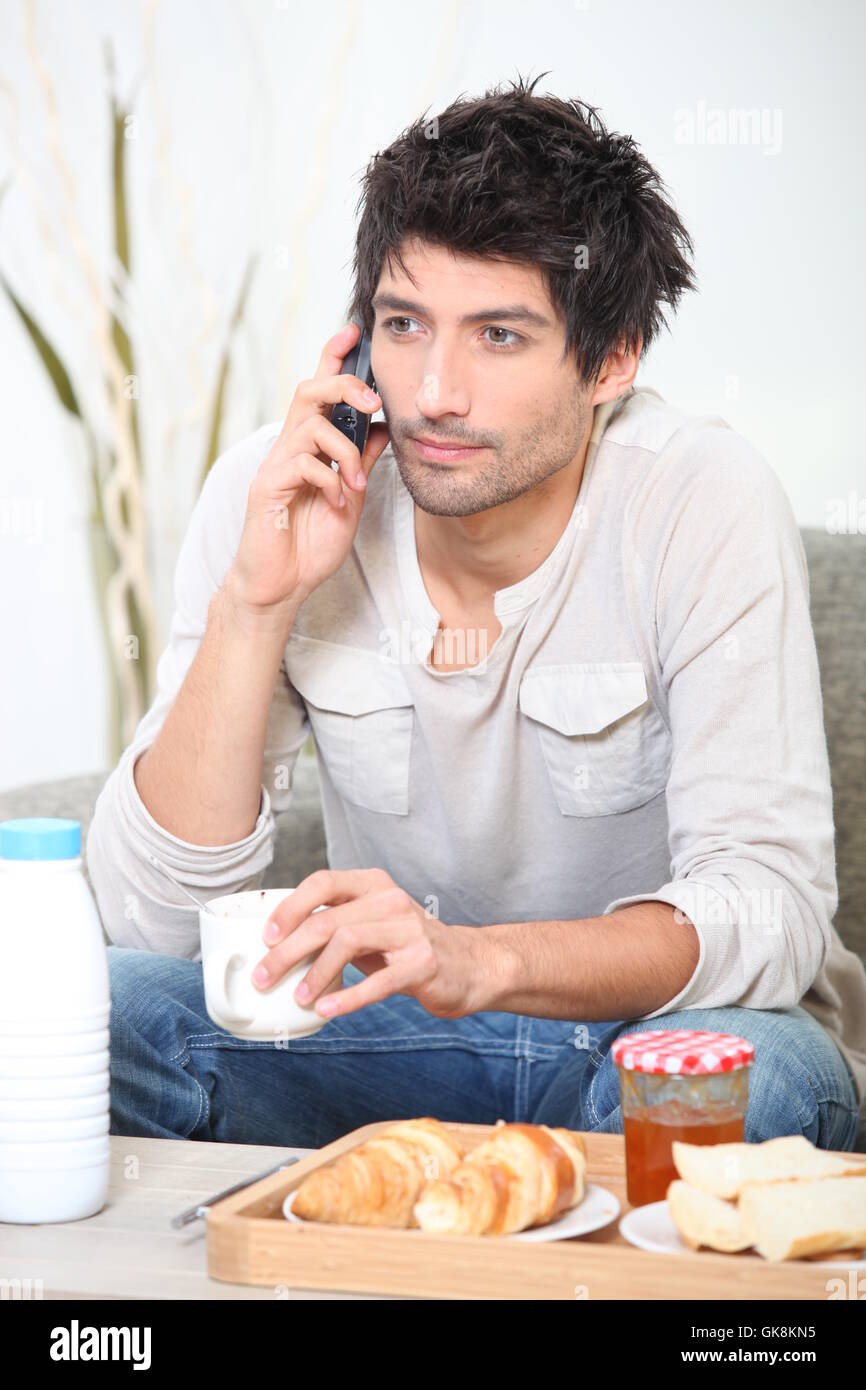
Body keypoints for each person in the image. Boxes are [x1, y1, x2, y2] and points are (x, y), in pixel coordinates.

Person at [89, 74, 866, 1152]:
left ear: (611, 359)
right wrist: (256, 604)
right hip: (400, 1040)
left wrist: (481, 959)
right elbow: (148, 925)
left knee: (758, 1085)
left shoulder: (700, 499)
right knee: (96, 1014)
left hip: (652, 1032)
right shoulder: (282, 493)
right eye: (405, 326)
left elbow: (767, 906)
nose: (433, 393)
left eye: (498, 335)